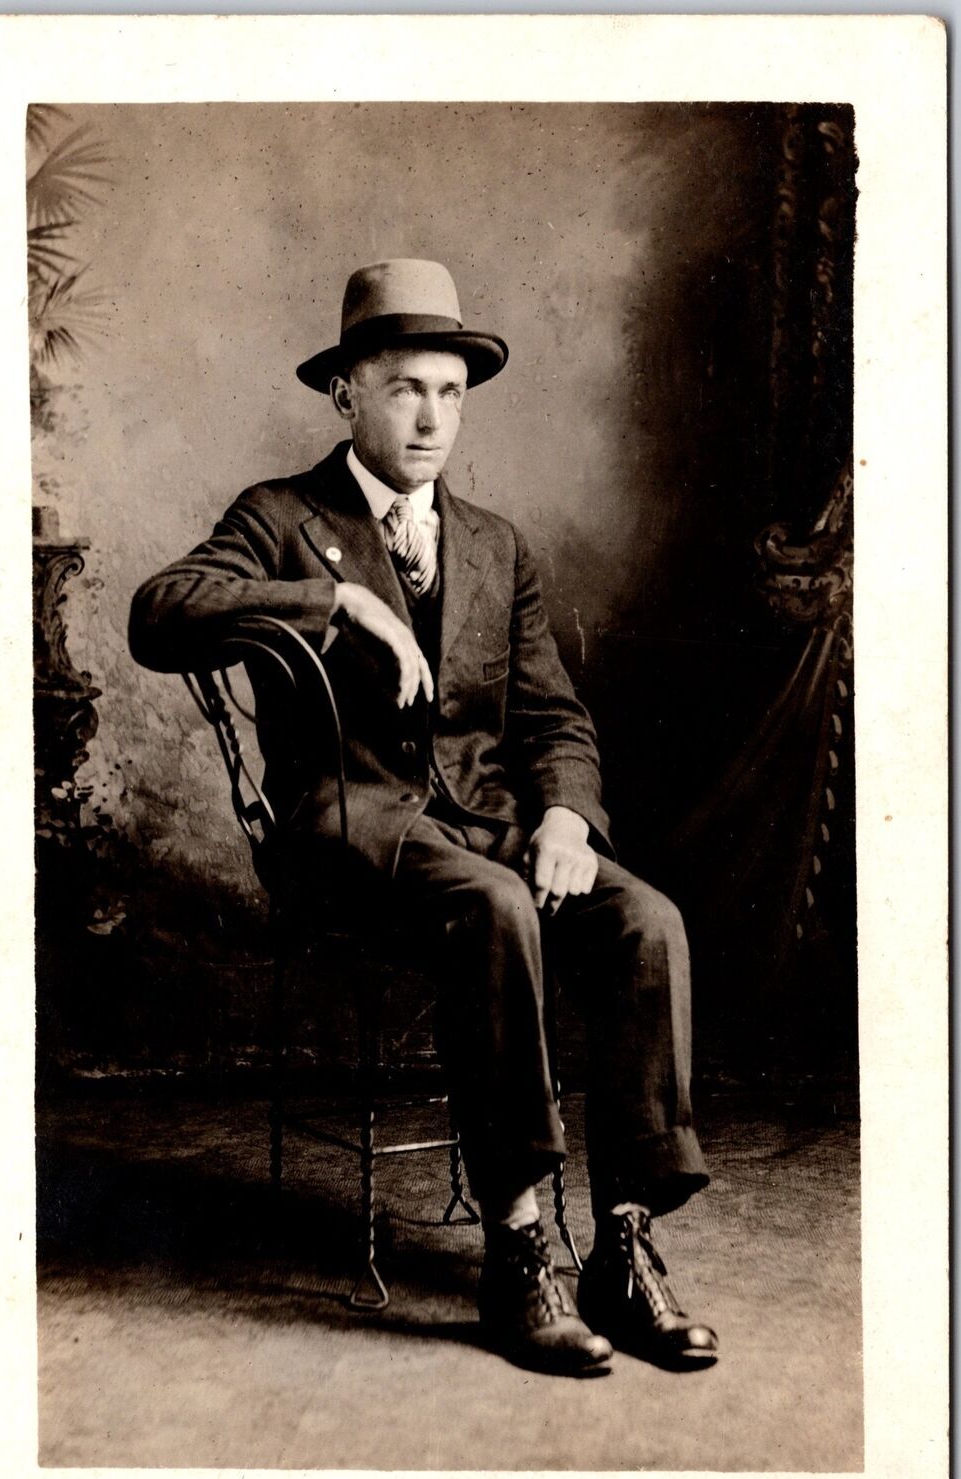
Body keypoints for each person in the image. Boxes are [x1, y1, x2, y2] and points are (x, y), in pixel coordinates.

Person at [129, 258, 718, 1376]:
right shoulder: (280, 518)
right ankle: (517, 1250)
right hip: (345, 828)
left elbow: (555, 718)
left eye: (449, 392)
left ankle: (623, 1246)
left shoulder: (496, 544)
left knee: (645, 919)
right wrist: (334, 597)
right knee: (496, 910)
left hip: (488, 828)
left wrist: (566, 822)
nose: (431, 418)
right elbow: (162, 612)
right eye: (404, 389)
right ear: (345, 392)